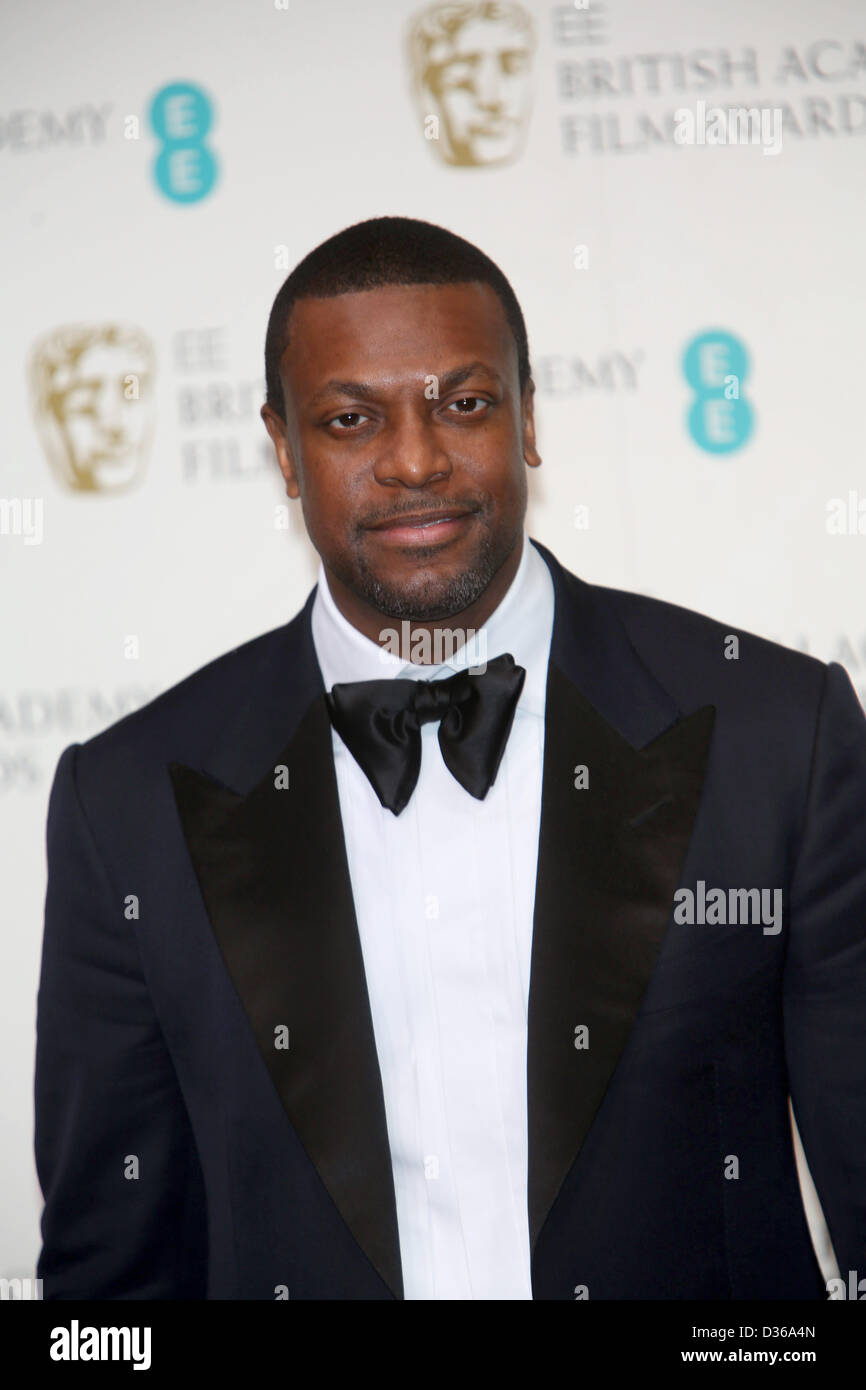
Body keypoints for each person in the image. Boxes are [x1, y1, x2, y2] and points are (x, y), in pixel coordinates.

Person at [34, 216, 866, 1300]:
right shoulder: (128, 803)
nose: (415, 459)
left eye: (463, 403)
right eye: (348, 419)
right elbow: (111, 1280)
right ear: (283, 450)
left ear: (528, 419)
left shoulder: (777, 735)